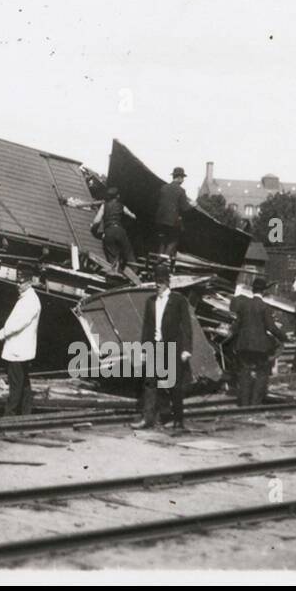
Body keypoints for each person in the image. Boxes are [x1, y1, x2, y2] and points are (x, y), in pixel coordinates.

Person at [132, 264, 194, 432]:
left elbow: (187, 327)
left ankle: (178, 420)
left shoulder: (179, 301)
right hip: (154, 347)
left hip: (173, 347)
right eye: (155, 281)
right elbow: (146, 327)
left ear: (167, 282)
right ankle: (147, 419)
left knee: (174, 384)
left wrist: (186, 349)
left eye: (160, 281)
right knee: (150, 383)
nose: (157, 285)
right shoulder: (150, 302)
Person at [231, 277, 287, 406]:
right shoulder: (265, 307)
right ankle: (255, 403)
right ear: (264, 292)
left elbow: (236, 326)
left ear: (252, 290)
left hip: (243, 344)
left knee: (244, 373)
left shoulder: (243, 305)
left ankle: (244, 403)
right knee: (262, 373)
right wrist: (284, 337)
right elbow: (271, 327)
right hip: (260, 347)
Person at [0, 272, 41, 416]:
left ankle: (9, 416)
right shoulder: (27, 298)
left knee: (16, 384)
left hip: (18, 349)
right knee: (24, 384)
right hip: (21, 348)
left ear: (29, 283)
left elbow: (19, 323)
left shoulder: (30, 301)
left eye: (21, 282)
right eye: (17, 282)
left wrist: (3, 333)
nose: (18, 285)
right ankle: (25, 413)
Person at [93, 187, 136, 273]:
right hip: (120, 231)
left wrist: (94, 230)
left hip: (109, 231)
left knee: (112, 255)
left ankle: (113, 273)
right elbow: (133, 217)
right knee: (128, 252)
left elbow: (96, 221)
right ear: (118, 196)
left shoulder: (104, 206)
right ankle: (133, 271)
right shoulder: (122, 206)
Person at [155, 167, 192, 266]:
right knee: (174, 240)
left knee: (163, 241)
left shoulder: (163, 188)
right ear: (179, 177)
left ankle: (159, 261)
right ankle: (164, 261)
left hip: (160, 221)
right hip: (172, 222)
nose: (183, 180)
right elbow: (185, 208)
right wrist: (193, 205)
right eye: (183, 177)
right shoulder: (181, 191)